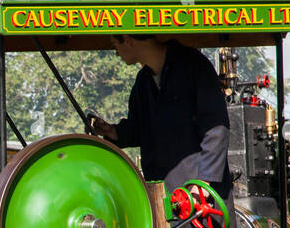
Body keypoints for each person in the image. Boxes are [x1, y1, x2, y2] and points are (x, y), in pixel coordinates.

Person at [95, 35, 234, 206]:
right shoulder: (143, 82)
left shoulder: (193, 66)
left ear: (128, 39)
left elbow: (216, 129)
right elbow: (140, 130)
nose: (116, 52)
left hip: (199, 199)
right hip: (164, 198)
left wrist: (204, 183)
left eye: (115, 44)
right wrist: (113, 132)